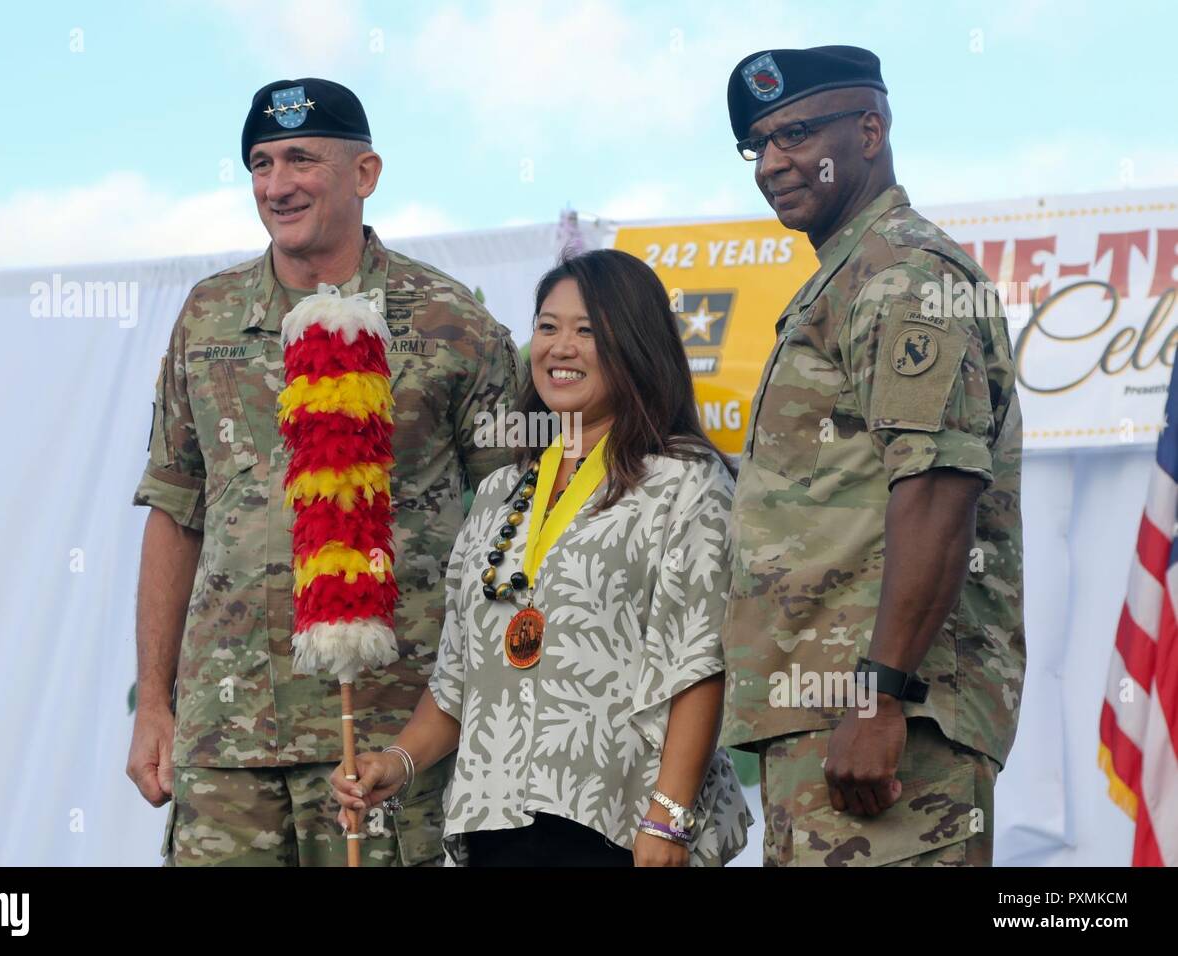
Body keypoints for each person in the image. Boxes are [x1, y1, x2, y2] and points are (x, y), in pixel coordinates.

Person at [126, 77, 524, 866]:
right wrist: (155, 703)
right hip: (228, 732)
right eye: (261, 164)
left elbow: (516, 518)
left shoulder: (449, 320)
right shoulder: (208, 315)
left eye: (302, 159)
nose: (278, 185)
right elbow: (176, 512)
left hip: (389, 736)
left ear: (364, 174)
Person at [330, 249, 752, 866]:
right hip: (494, 826)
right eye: (548, 328)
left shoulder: (685, 482)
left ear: (635, 345)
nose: (560, 347)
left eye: (587, 331)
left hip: (620, 826)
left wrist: (670, 819)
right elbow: (457, 681)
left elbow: (699, 663)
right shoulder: (503, 491)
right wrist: (395, 763)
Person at [720, 45, 1024, 866]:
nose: (774, 163)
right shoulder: (851, 276)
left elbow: (936, 488)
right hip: (824, 723)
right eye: (758, 145)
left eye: (795, 134)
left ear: (869, 129)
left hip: (888, 728)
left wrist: (881, 695)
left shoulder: (903, 274)